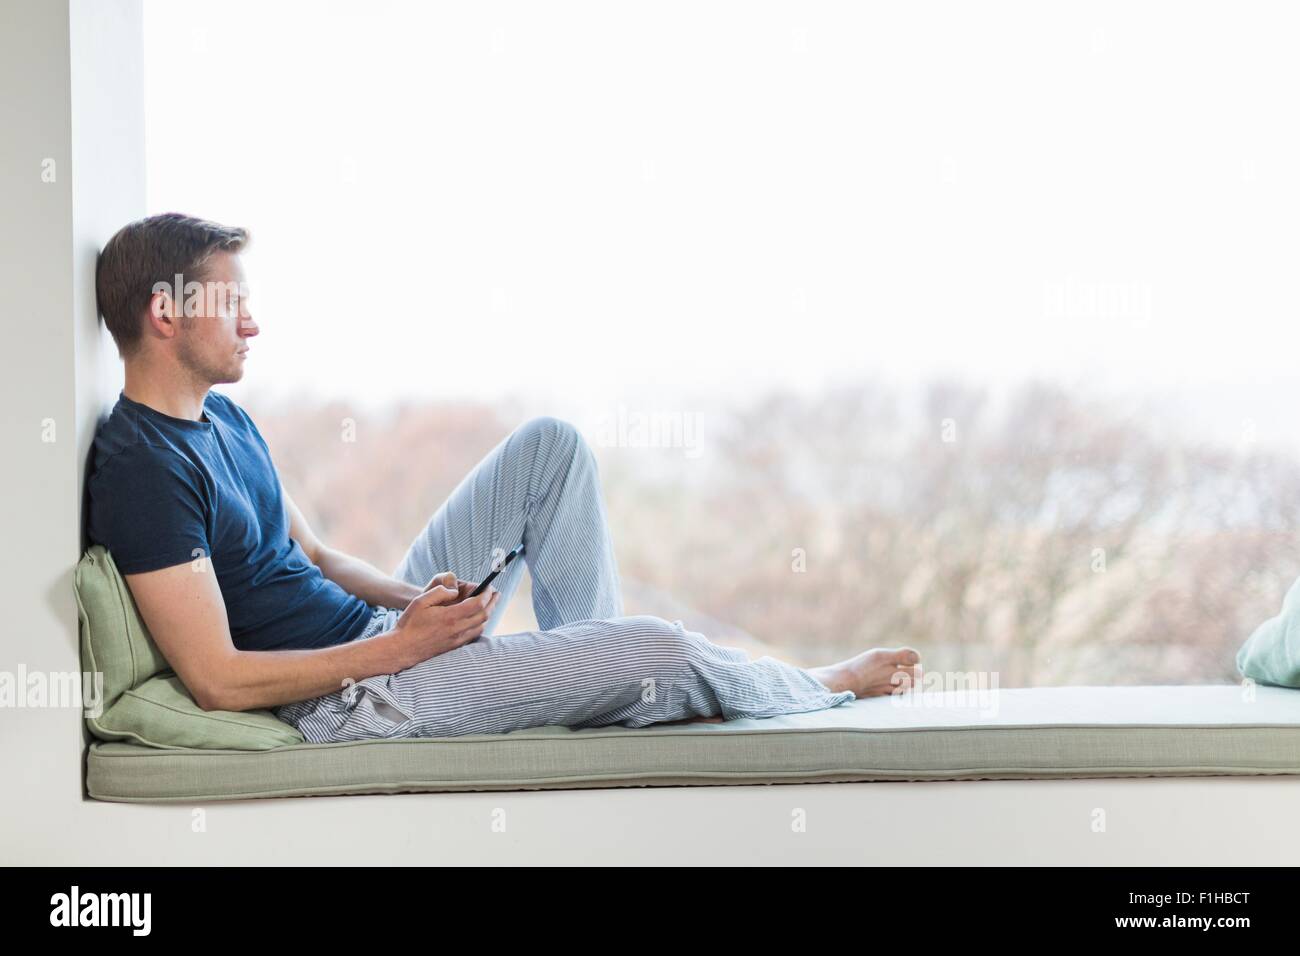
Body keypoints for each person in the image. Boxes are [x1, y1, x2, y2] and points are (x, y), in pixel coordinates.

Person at [86, 213, 922, 743]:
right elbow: (218, 678)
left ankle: (594, 681)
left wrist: (415, 602)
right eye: (234, 306)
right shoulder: (142, 468)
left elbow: (320, 554)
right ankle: (813, 683)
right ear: (166, 313)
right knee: (659, 646)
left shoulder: (225, 420)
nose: (253, 323)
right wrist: (395, 649)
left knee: (549, 449)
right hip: (352, 702)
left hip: (384, 639)